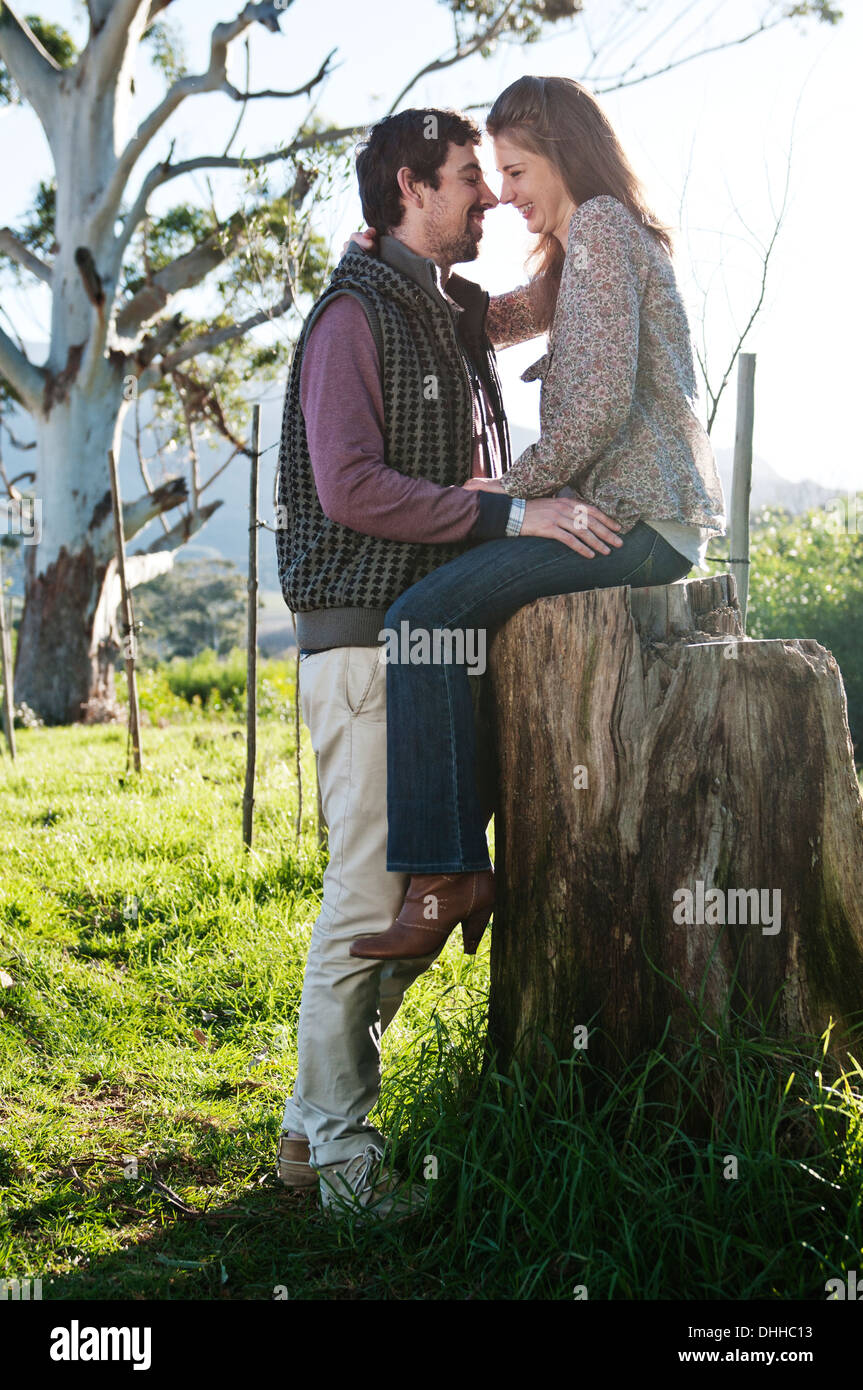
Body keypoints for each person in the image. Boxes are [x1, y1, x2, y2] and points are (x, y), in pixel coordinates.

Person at [274, 107, 589, 1219]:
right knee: (372, 886)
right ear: (410, 186)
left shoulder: (435, 307)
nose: (487, 197)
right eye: (469, 178)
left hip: (423, 646)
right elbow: (350, 484)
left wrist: (591, 225)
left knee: (436, 887)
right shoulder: (351, 320)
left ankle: (312, 1125)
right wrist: (506, 513)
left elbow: (526, 308)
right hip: (362, 647)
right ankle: (341, 1156)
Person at [348, 75, 727, 963]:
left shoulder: (598, 228)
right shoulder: (591, 245)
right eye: (491, 177)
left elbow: (593, 403)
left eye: (514, 171)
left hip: (636, 520)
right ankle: (454, 853)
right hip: (648, 521)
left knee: (423, 619)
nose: (501, 193)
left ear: (563, 154)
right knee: (449, 624)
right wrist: (387, 263)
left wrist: (510, 499)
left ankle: (447, 875)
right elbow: (495, 322)